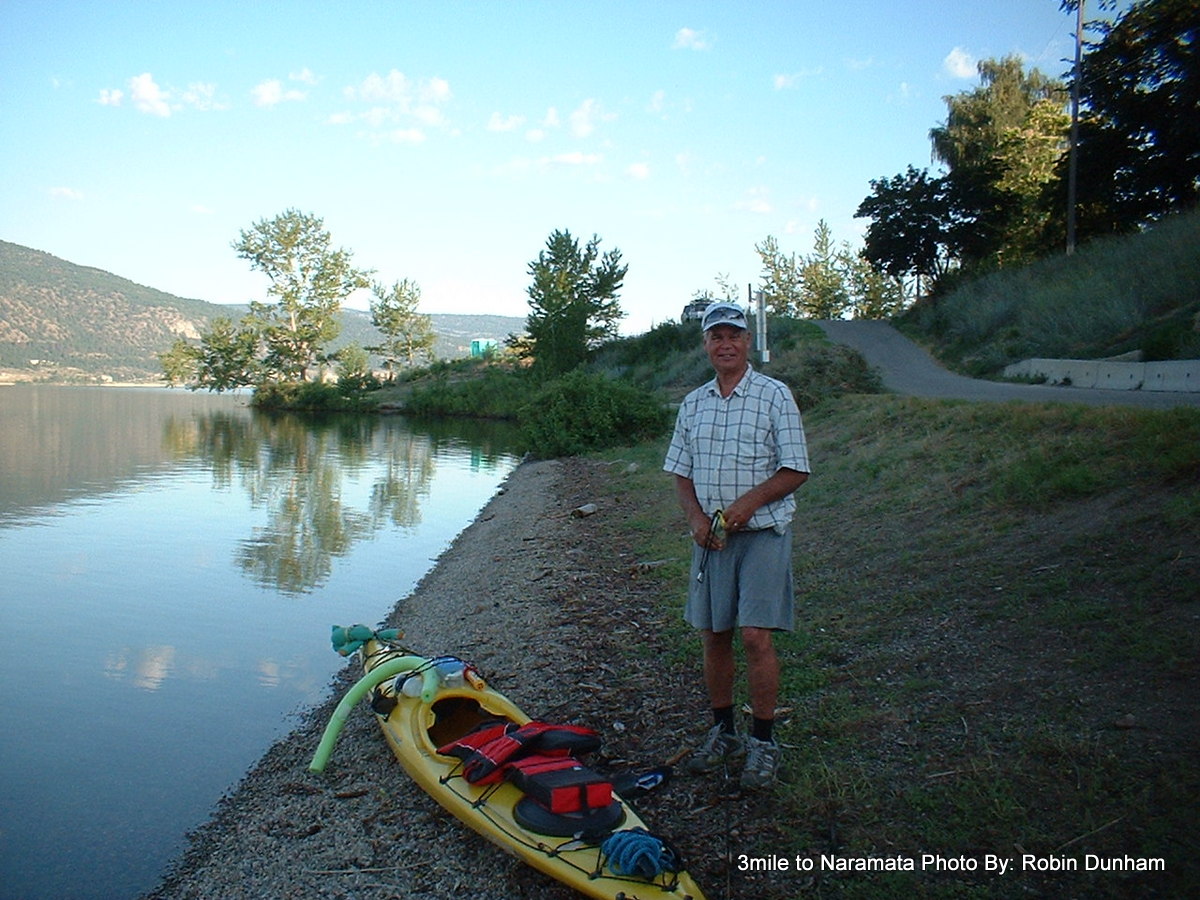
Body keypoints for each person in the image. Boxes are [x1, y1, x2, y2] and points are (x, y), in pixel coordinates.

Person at [662, 301, 810, 790]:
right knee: (714, 634)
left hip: (763, 533)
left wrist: (747, 504)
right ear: (706, 345)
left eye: (734, 335)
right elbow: (680, 472)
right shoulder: (694, 403)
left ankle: (763, 741)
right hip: (711, 540)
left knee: (755, 637)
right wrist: (696, 518)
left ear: (748, 342)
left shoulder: (775, 396)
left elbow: (795, 469)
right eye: (716, 336)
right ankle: (723, 732)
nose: (725, 344)